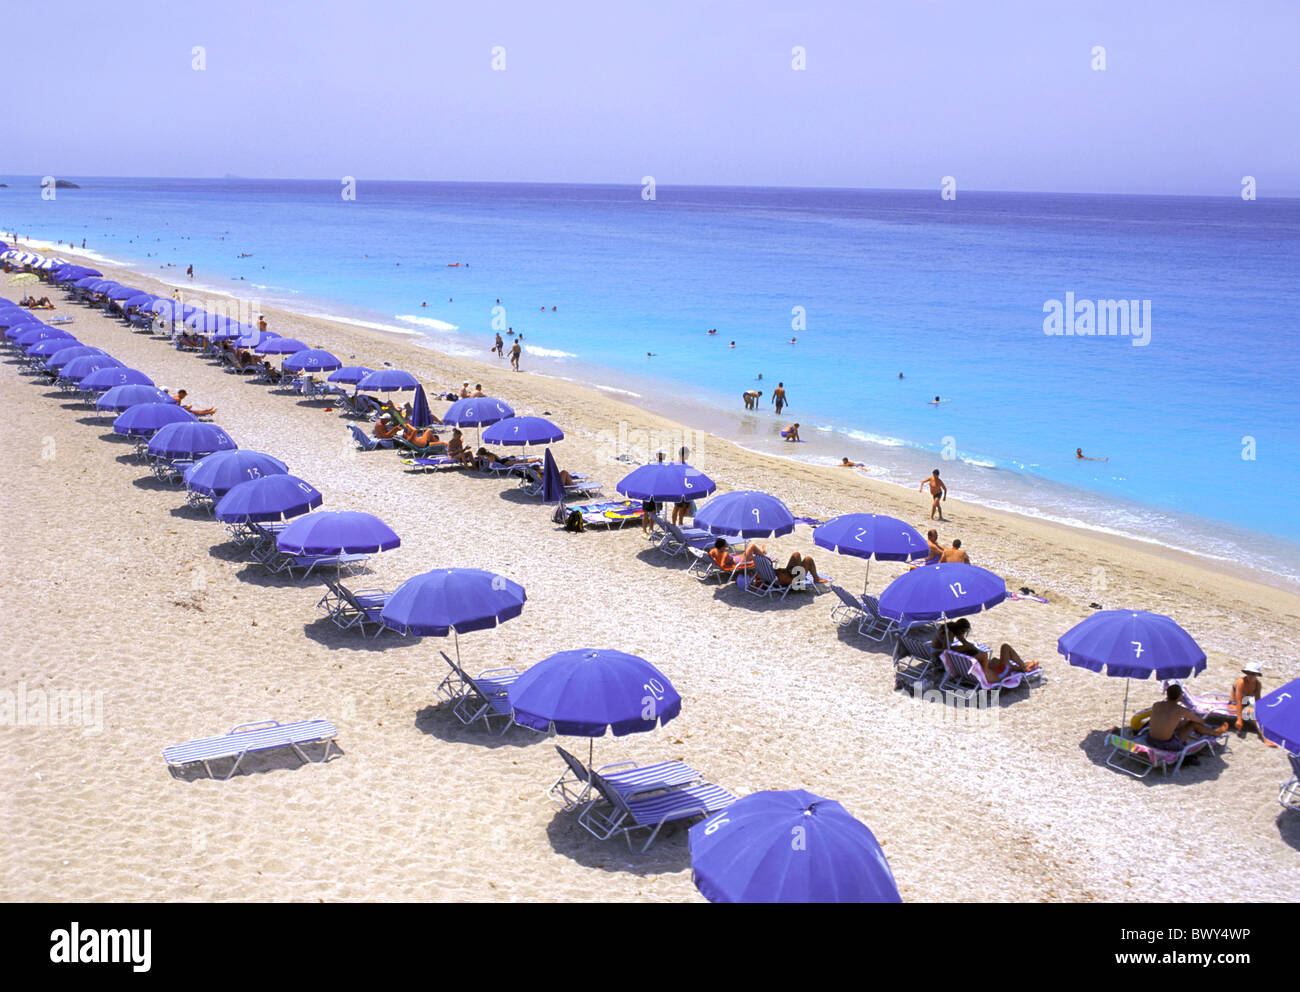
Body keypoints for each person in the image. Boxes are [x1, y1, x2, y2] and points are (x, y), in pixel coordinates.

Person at [940, 618, 1039, 681]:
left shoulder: (965, 663)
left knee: (995, 660)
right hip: (1001, 675)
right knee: (1005, 647)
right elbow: (983, 654)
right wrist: (970, 648)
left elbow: (972, 652)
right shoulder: (979, 663)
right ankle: (1023, 667)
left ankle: (1021, 667)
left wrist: (965, 644)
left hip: (991, 672)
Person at [1147, 684, 1229, 747]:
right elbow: (1201, 721)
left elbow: (1165, 720)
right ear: (1180, 696)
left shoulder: (1156, 705)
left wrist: (1182, 722)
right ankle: (1215, 733)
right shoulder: (1181, 710)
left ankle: (1213, 732)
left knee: (1180, 723)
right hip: (1167, 744)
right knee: (1193, 724)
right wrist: (1190, 720)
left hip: (1150, 740)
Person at [1230, 663, 1278, 745]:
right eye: (1248, 673)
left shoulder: (1257, 684)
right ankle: (1264, 737)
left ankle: (1268, 730)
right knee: (1253, 713)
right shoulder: (1241, 682)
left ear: (1257, 674)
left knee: (1262, 711)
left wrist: (1261, 710)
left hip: (1246, 702)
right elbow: (1238, 701)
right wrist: (1239, 719)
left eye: (1253, 673)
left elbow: (1258, 700)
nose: (1250, 675)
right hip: (1234, 703)